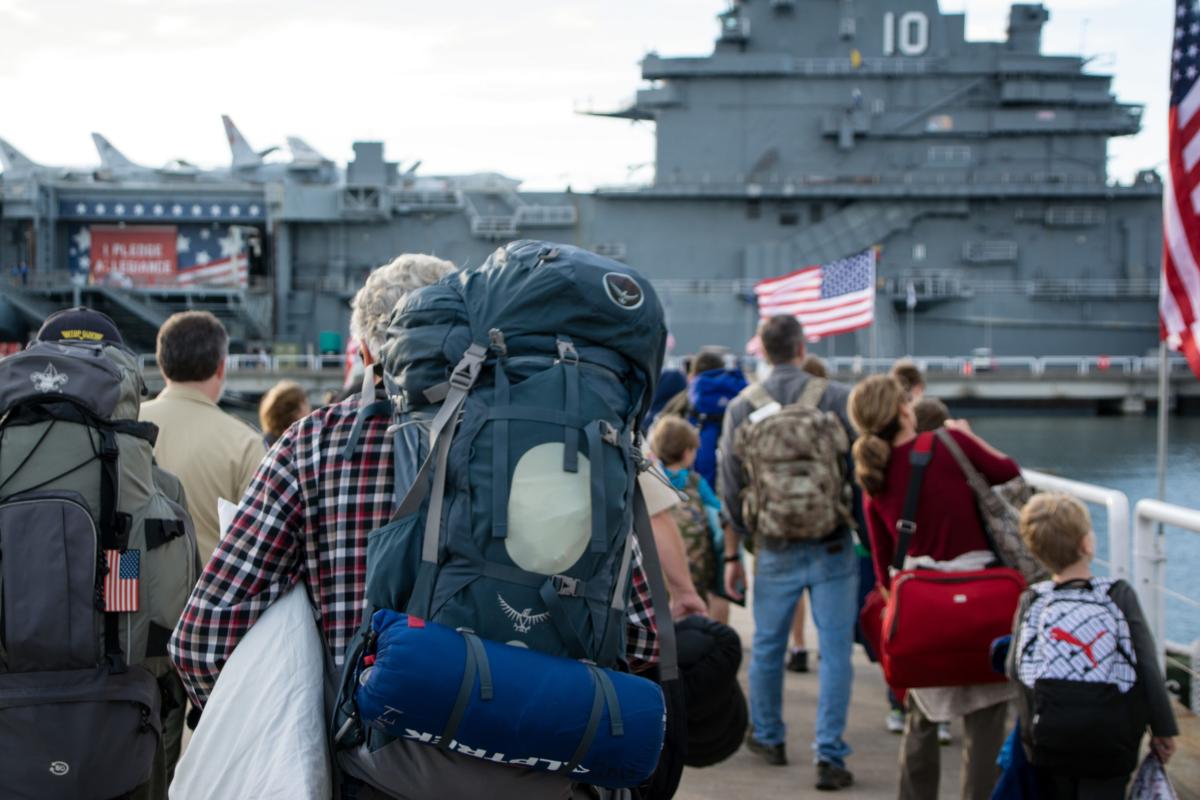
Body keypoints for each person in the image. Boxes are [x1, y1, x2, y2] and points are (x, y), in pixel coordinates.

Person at [169, 253, 695, 798]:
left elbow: (203, 639)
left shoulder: (316, 443)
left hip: (377, 776)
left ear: (367, 351)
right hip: (546, 773)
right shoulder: (557, 438)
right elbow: (640, 636)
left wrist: (307, 735)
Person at [849, 374, 1019, 800]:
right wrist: (968, 436)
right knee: (986, 721)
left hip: (924, 605)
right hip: (983, 599)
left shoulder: (874, 472)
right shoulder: (949, 443)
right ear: (905, 408)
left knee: (921, 719)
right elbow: (1007, 472)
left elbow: (885, 560)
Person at [720, 315, 858, 791]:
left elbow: (731, 487)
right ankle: (831, 756)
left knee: (768, 647)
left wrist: (734, 554)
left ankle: (771, 737)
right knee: (837, 652)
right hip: (833, 541)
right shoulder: (836, 397)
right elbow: (860, 472)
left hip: (774, 544)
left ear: (764, 351)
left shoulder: (742, 405)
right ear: (801, 348)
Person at [1009, 494, 1177, 799]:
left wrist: (1029, 737)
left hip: (1051, 737)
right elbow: (1147, 666)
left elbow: (1016, 669)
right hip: (1111, 741)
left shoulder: (1033, 599)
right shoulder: (1118, 594)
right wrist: (1163, 728)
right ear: (1087, 545)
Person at [140, 311, 265, 564]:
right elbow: (260, 540)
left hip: (130, 591)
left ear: (162, 363)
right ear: (220, 368)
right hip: (210, 595)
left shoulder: (126, 424)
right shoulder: (244, 443)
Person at [650, 415, 728, 622]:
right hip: (696, 568)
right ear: (687, 452)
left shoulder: (653, 478)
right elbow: (717, 510)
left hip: (657, 566)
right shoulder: (695, 482)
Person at [786, 353, 832, 674]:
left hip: (786, 513)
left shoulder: (784, 416)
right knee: (826, 589)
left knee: (795, 589)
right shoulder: (830, 417)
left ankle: (798, 645)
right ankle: (827, 650)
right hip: (825, 517)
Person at [258, 379, 311, 447]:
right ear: (297, 412)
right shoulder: (302, 445)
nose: (310, 411)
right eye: (306, 404)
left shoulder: (263, 443)